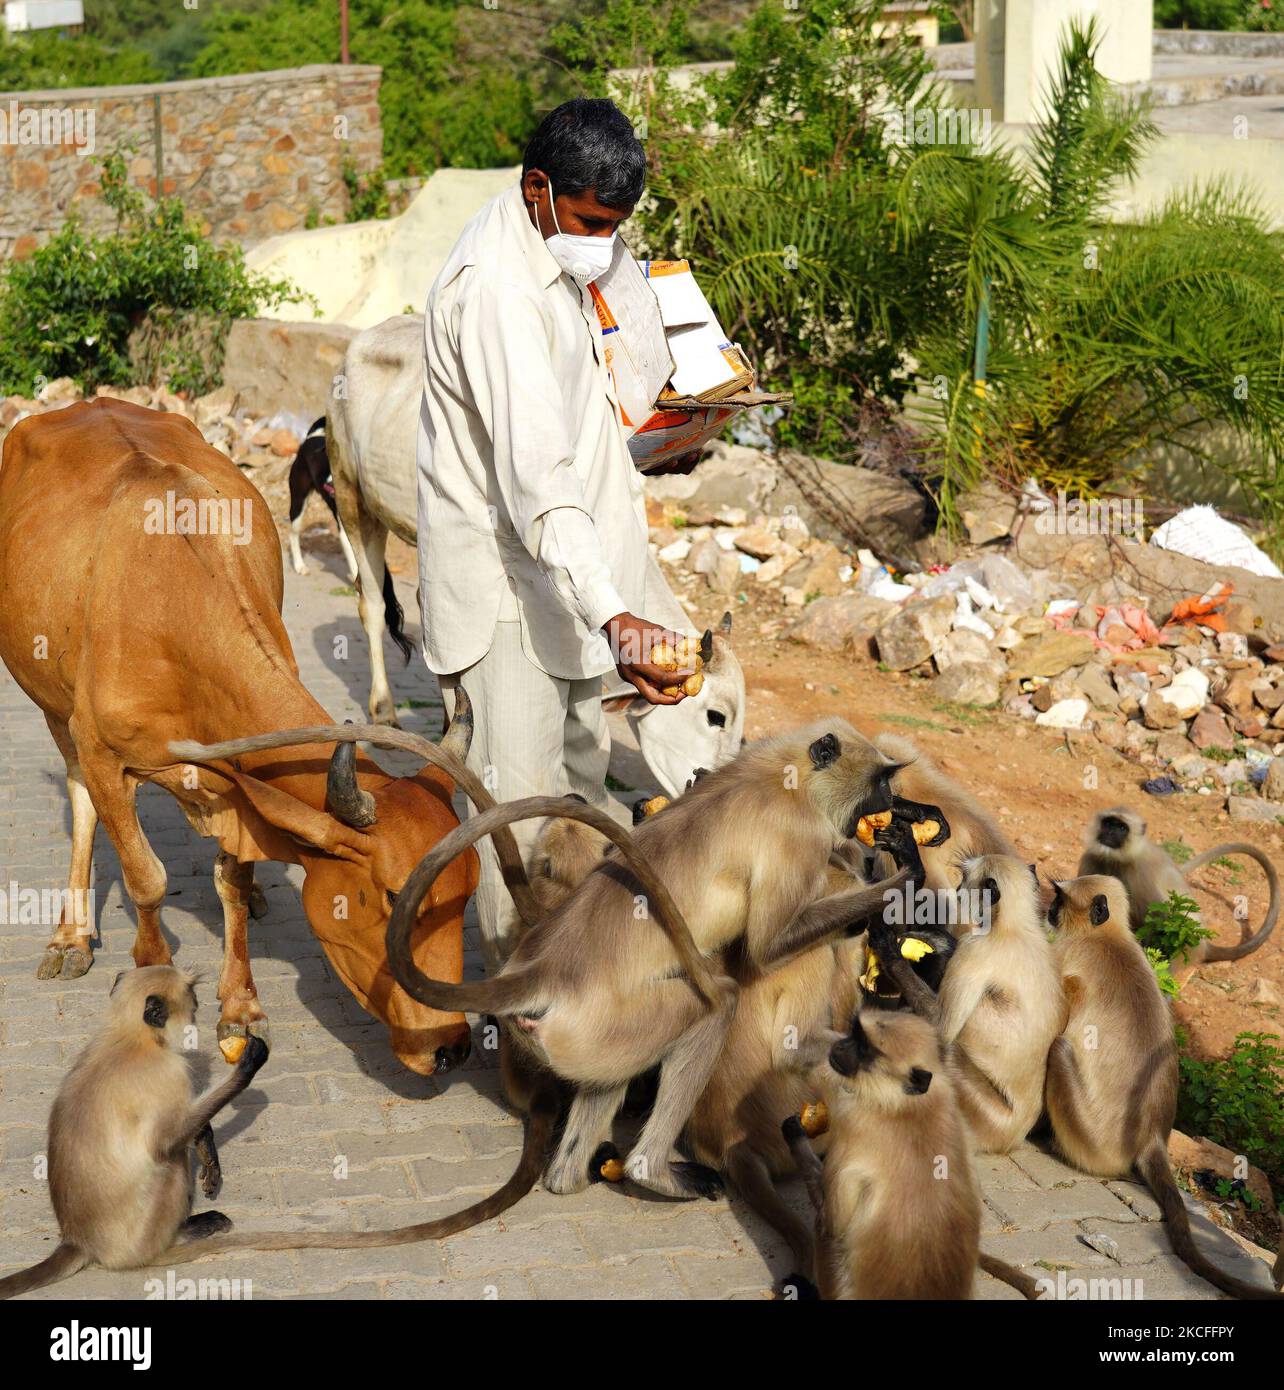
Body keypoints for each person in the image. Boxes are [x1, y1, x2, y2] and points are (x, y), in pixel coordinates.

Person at [417, 97, 692, 970]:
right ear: (538, 189)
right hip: (509, 601)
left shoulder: (555, 257)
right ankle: (517, 1039)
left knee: (580, 806)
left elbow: (586, 418)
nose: (601, 241)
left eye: (615, 226)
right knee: (521, 828)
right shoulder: (498, 293)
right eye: (589, 221)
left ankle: (582, 994)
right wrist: (619, 619)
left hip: (568, 589)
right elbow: (538, 483)